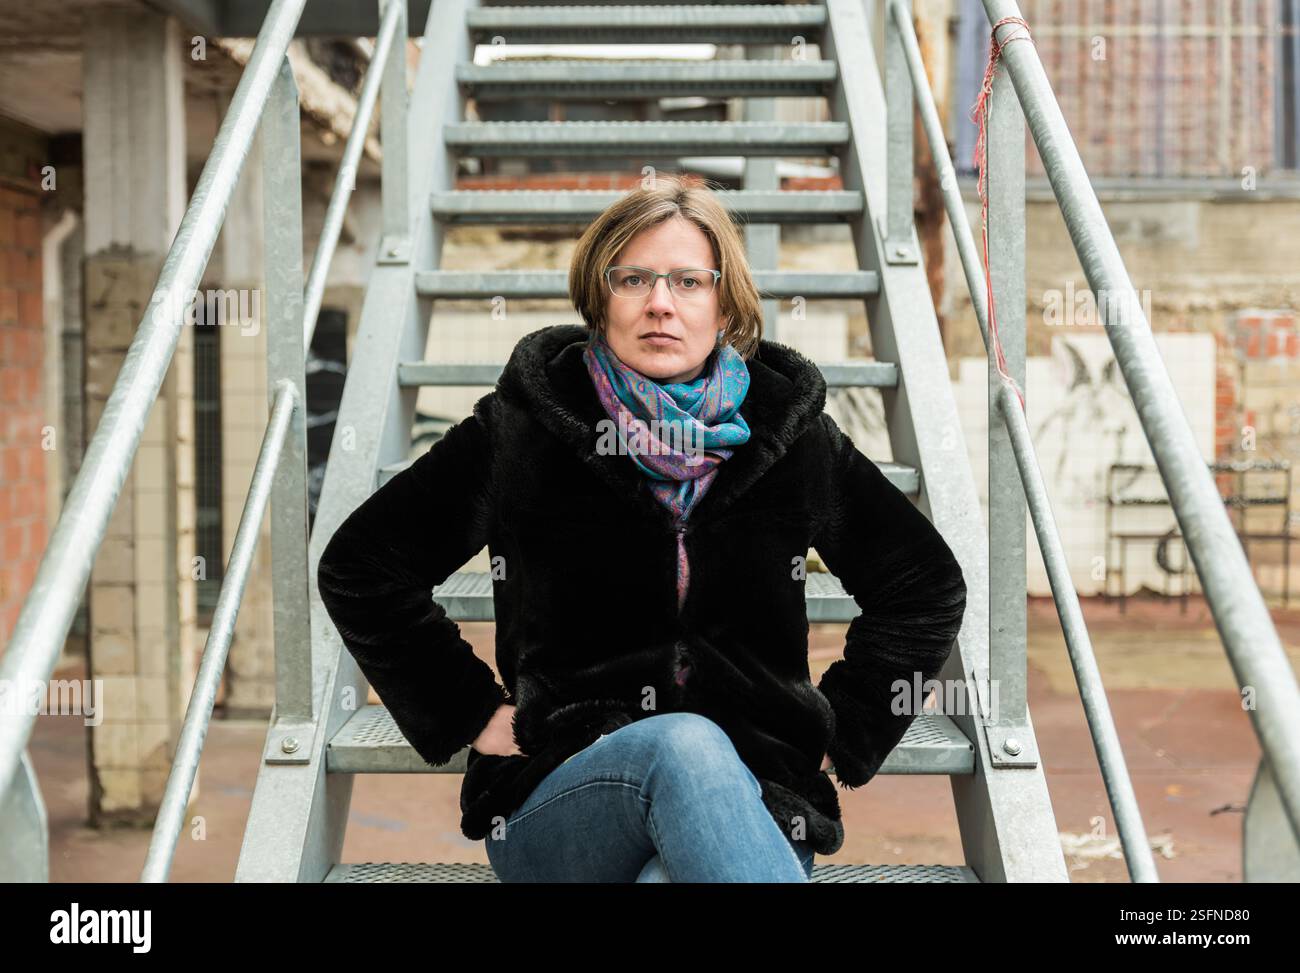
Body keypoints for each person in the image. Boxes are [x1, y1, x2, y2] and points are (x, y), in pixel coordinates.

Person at [316, 174, 968, 883]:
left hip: (756, 802)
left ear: (725, 304)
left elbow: (924, 586)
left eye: (688, 281)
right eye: (634, 279)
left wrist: (841, 728)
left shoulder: (792, 440)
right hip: (562, 802)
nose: (661, 303)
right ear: (602, 299)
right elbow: (362, 566)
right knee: (681, 746)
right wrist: (471, 710)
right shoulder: (525, 430)